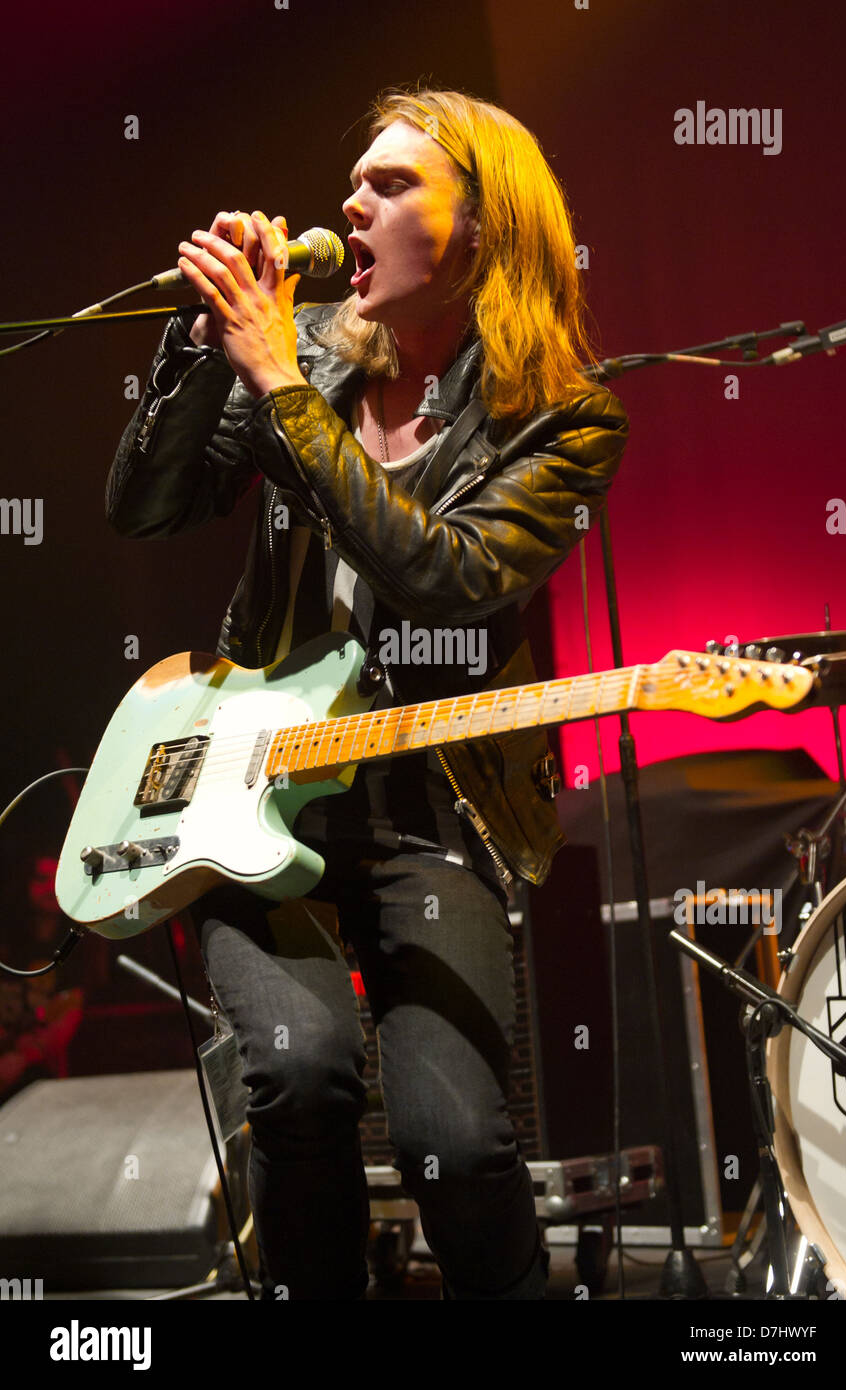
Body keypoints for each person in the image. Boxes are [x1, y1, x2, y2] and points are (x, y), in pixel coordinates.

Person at [107, 85, 629, 1300]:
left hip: (425, 812)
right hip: (248, 794)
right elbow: (147, 505)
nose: (351, 202)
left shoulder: (560, 420)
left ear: (485, 229)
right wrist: (198, 351)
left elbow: (444, 579)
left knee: (456, 1145)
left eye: (392, 184)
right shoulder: (323, 347)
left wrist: (280, 382)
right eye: (356, 182)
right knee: (299, 1082)